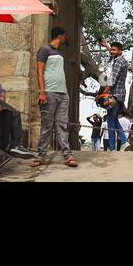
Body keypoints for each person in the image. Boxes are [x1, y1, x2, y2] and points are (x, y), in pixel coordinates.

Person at [32, 26, 78, 168]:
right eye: (64, 36)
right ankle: (40, 156)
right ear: (60, 36)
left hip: (63, 93)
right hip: (49, 92)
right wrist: (42, 91)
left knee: (62, 125)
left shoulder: (58, 52)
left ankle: (67, 156)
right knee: (47, 126)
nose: (65, 39)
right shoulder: (45, 50)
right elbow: (39, 71)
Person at [105, 42, 130, 151]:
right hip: (121, 94)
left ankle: (118, 144)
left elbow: (113, 79)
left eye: (114, 50)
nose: (112, 52)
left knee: (111, 120)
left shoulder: (118, 62)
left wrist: (106, 90)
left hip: (115, 95)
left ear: (120, 51)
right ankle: (122, 143)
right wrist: (107, 46)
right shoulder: (122, 60)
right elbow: (113, 55)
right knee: (113, 119)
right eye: (111, 50)